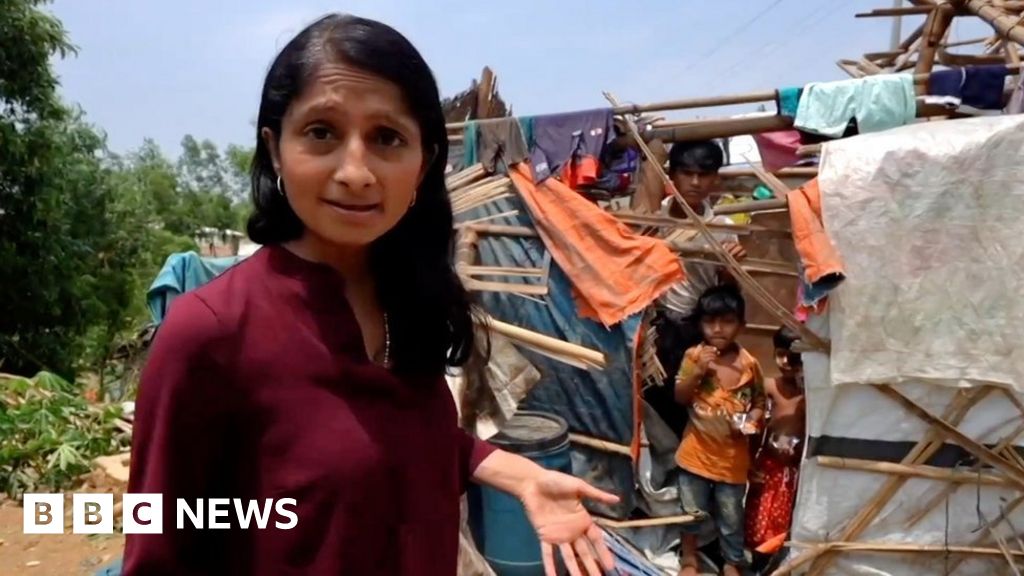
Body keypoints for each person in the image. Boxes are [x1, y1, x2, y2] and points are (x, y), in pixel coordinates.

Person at [123, 14, 617, 576]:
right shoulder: (210, 333)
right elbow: (159, 545)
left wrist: (514, 472)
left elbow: (391, 441)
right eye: (321, 132)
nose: (355, 171)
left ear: (423, 162)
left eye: (386, 138)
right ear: (276, 148)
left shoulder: (412, 300)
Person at [646, 140, 747, 437]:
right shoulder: (651, 219)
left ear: (715, 178)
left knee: (699, 404)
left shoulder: (721, 225)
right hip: (656, 327)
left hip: (699, 328)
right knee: (656, 401)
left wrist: (730, 268)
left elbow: (729, 292)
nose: (694, 182)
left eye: (703, 174)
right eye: (687, 173)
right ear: (672, 175)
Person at [673, 285, 765, 576]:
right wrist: (699, 371)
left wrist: (750, 422)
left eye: (727, 321)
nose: (717, 329)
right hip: (695, 454)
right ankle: (689, 558)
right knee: (691, 512)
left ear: (741, 326)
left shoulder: (750, 365)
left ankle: (732, 561)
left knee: (731, 516)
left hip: (732, 462)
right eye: (709, 321)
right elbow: (680, 396)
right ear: (700, 324)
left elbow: (759, 403)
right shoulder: (693, 356)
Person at [745, 327, 806, 570]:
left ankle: (776, 565)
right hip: (768, 468)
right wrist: (750, 463)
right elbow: (754, 429)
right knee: (759, 520)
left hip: (796, 473)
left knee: (787, 523)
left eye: (794, 356)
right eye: (780, 354)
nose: (786, 362)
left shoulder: (812, 396)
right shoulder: (768, 386)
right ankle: (757, 564)